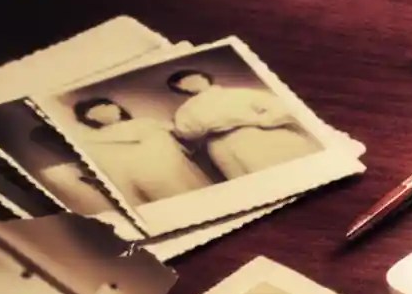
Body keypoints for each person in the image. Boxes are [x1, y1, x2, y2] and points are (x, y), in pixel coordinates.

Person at [169, 69, 322, 179]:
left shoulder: (239, 93)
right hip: (223, 145)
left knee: (292, 170)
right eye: (184, 83)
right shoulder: (186, 110)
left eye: (194, 77)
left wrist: (257, 121)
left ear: (204, 77)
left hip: (258, 135)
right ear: (182, 89)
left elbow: (277, 107)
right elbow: (186, 132)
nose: (192, 82)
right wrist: (210, 127)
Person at [74, 97, 213, 203]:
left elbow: (181, 136)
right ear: (89, 118)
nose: (104, 112)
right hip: (150, 178)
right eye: (95, 112)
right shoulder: (97, 139)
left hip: (178, 168)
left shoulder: (146, 122)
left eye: (106, 106)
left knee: (201, 195)